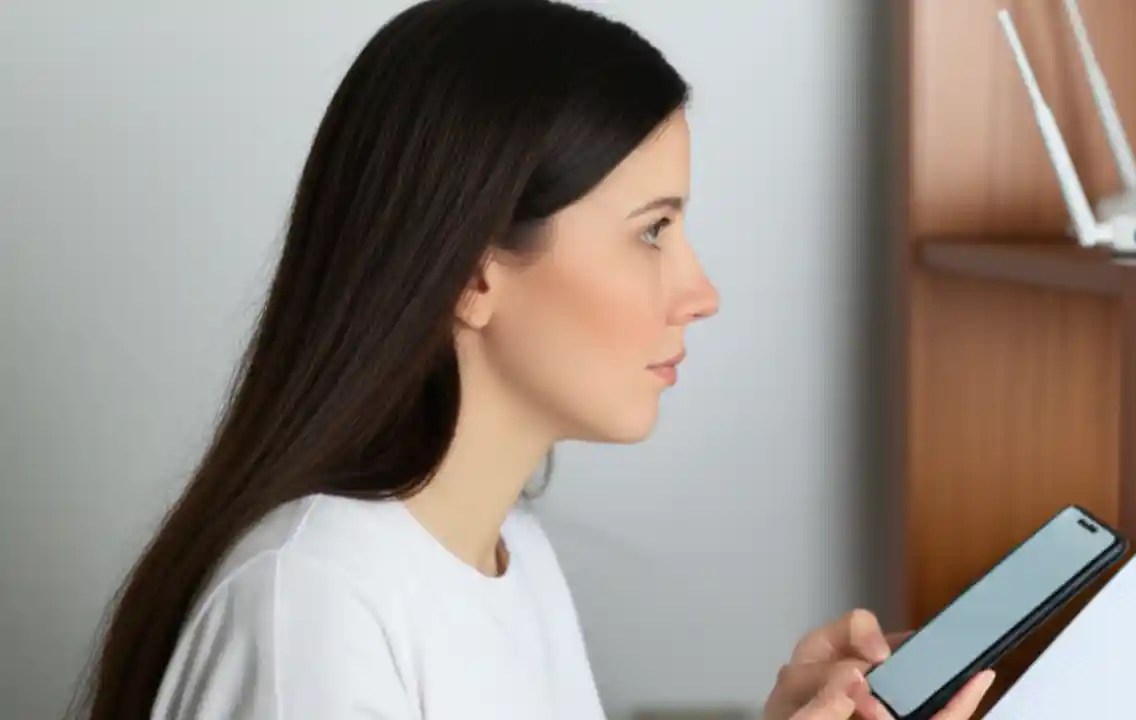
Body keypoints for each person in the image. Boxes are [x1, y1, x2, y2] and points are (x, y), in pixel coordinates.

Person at [72, 1, 994, 718]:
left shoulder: (514, 564)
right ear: (472, 274)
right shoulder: (311, 605)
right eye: (653, 231)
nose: (700, 290)